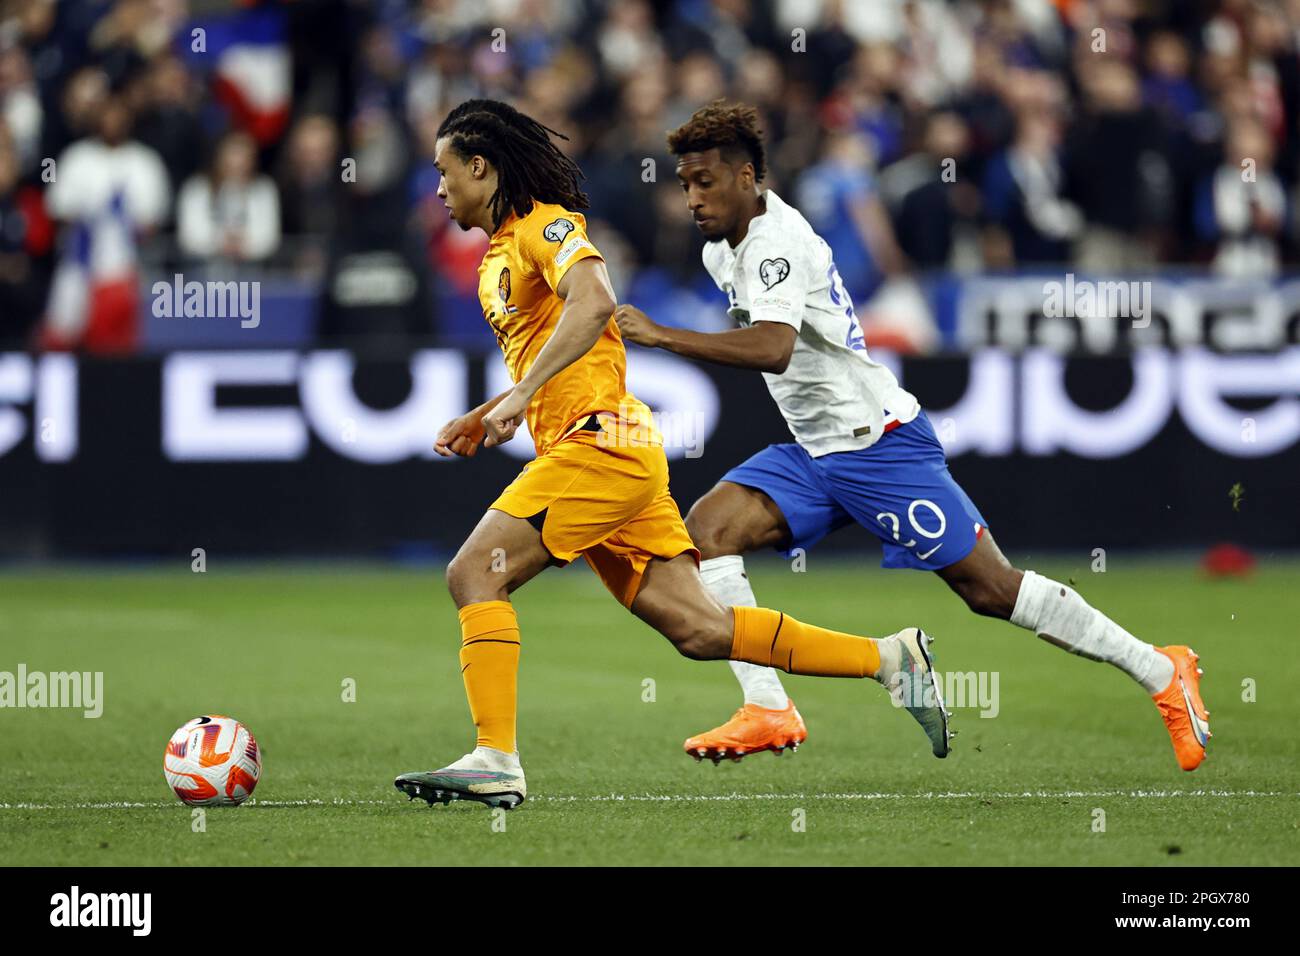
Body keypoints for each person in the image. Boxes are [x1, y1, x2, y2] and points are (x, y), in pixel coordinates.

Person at [613, 102, 1211, 773]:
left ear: (747, 176)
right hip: (817, 452)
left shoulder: (776, 242)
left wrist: (662, 335)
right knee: (711, 532)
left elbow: (775, 347)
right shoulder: (721, 251)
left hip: (878, 445)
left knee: (991, 591)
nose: (691, 198)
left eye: (704, 182)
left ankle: (1161, 669)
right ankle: (769, 706)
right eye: (684, 184)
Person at [393, 99, 951, 810]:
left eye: (444, 172)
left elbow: (595, 302)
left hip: (604, 447)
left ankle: (496, 758)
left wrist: (518, 392)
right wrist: (500, 411)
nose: (438, 188)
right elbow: (560, 350)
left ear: (480, 167)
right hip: (599, 447)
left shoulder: (545, 227)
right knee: (700, 629)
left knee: (475, 572)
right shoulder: (496, 256)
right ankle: (889, 658)